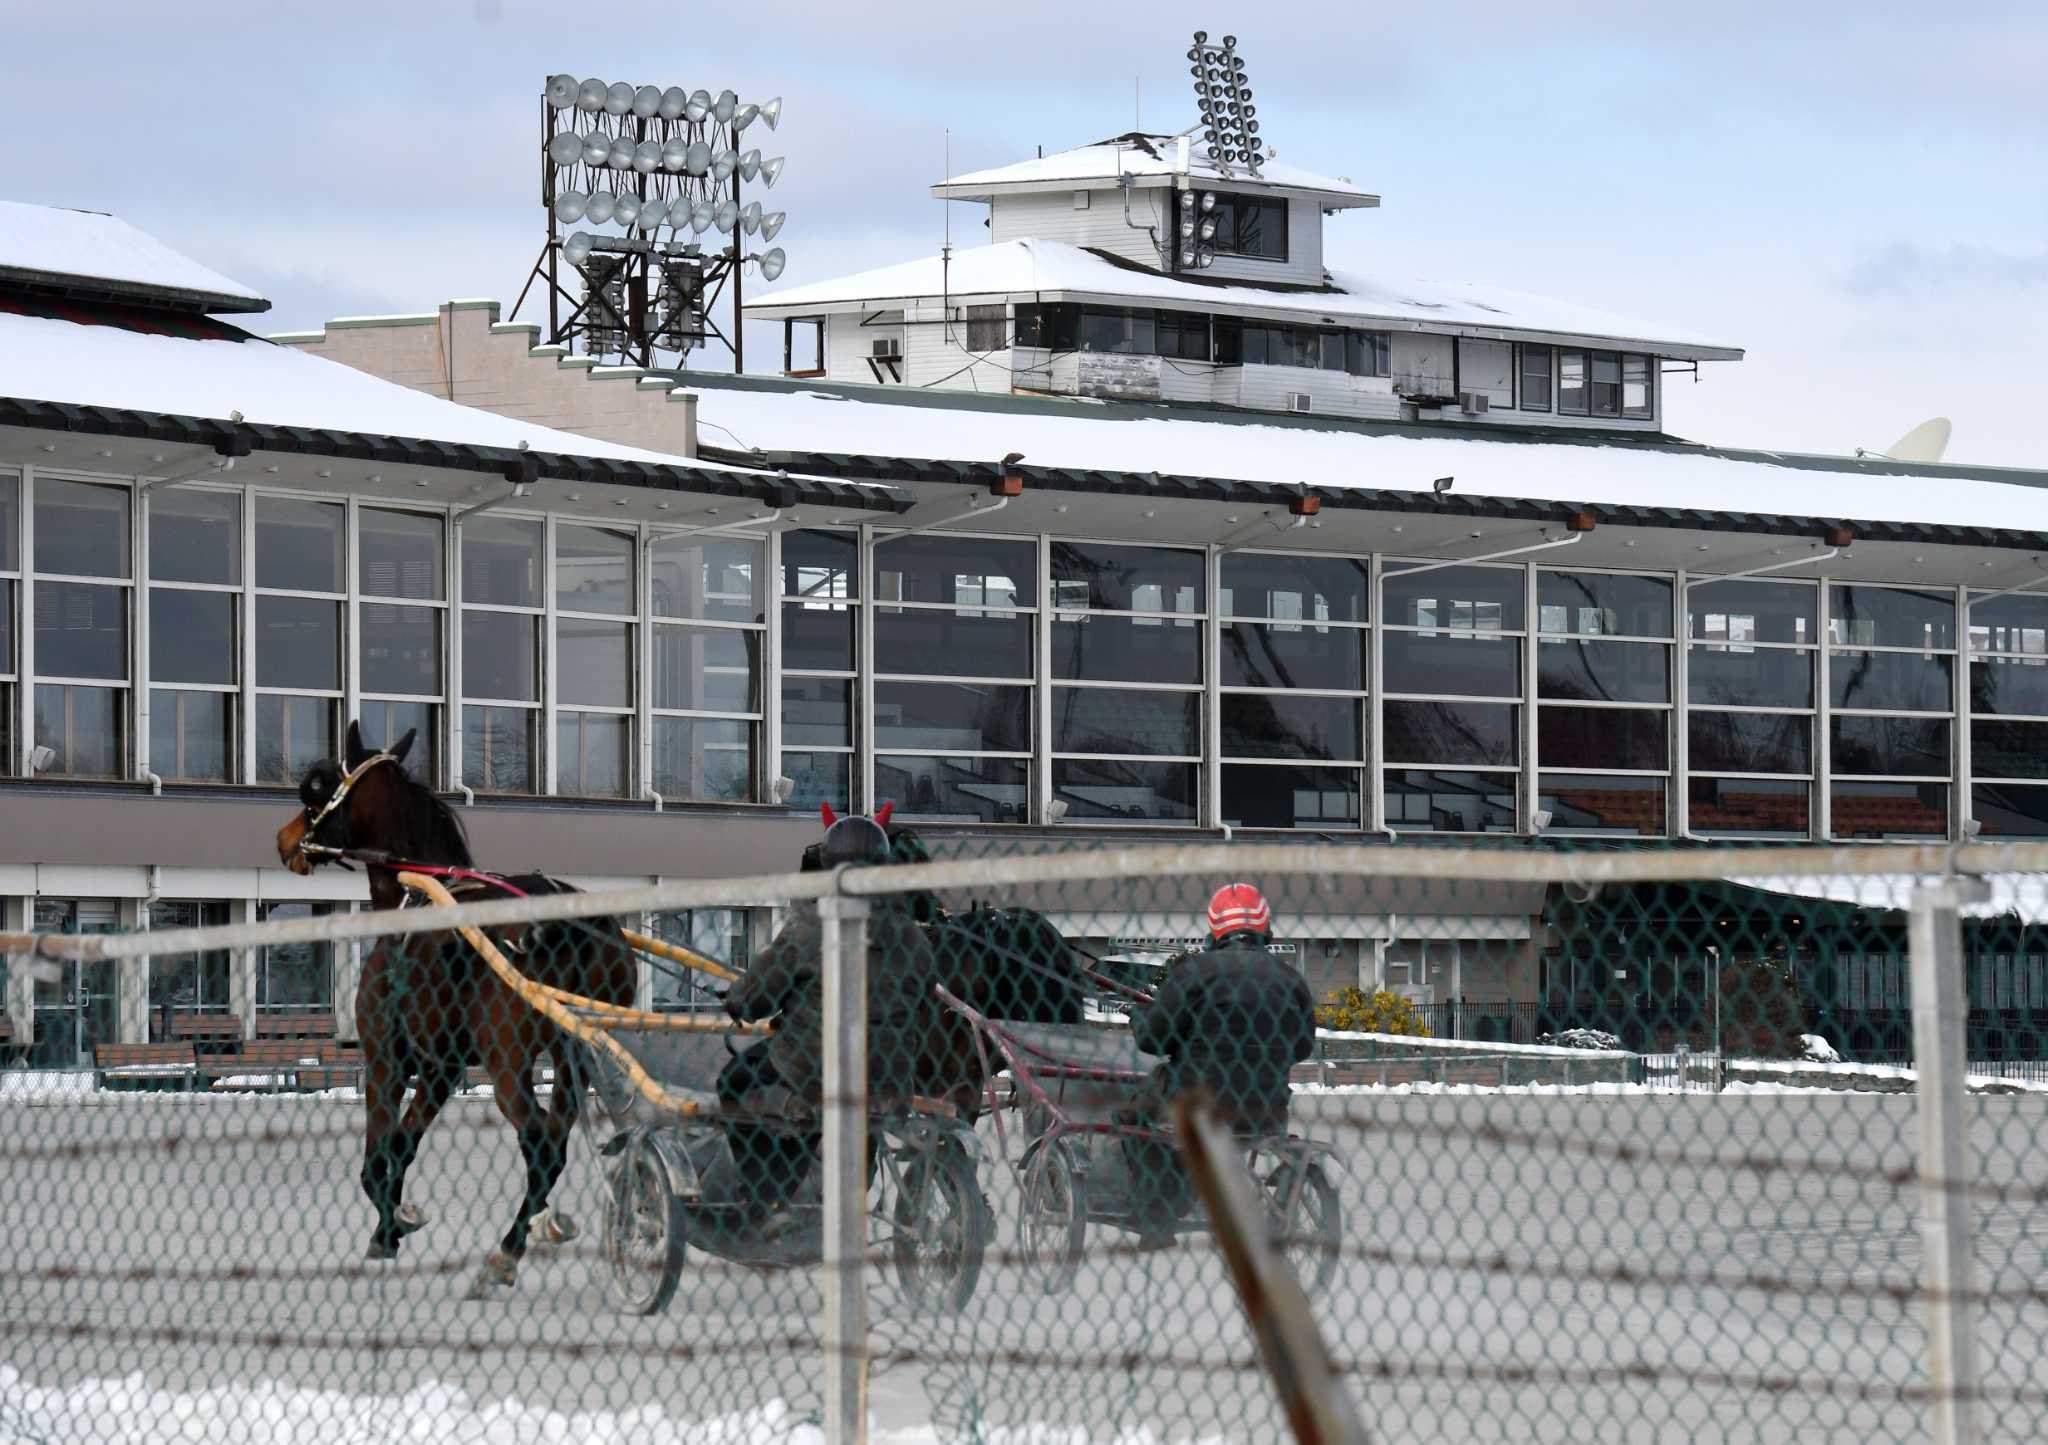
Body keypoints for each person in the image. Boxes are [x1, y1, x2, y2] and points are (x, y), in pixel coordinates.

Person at [718, 812, 941, 1221]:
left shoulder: (810, 926)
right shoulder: (914, 939)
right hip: (888, 1076)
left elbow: (757, 999)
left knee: (733, 1082)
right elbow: (924, 1006)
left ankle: (766, 1199)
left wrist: (736, 1001)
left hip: (812, 1065)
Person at [1121, 882, 1317, 1245]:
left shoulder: (1194, 972)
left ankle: (1158, 1216)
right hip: (1267, 1109)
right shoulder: (1291, 980)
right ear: (1265, 928)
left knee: (1132, 1115)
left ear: (1215, 929)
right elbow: (1302, 1046)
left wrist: (1139, 1017)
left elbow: (1153, 1040)